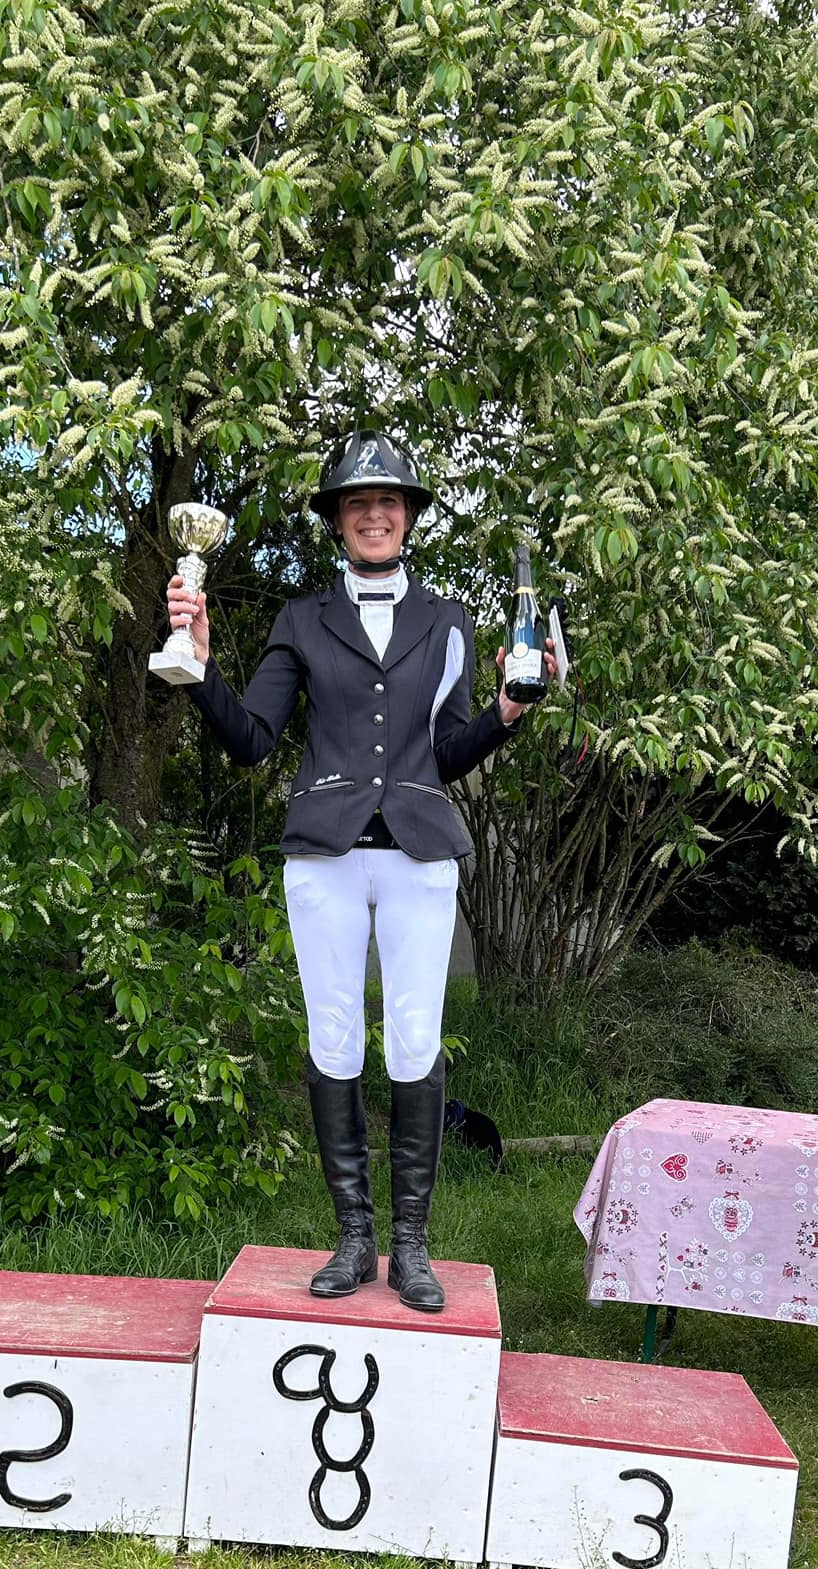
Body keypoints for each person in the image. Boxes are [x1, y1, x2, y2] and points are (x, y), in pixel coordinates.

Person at [159, 428, 550, 1313]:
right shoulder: (302, 618)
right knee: (332, 1038)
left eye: (389, 501)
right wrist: (200, 666)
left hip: (418, 856)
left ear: (408, 517)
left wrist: (506, 713)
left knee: (415, 1040)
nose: (374, 514)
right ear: (338, 521)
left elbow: (448, 751)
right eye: (356, 503)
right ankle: (352, 1237)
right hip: (325, 855)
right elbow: (252, 742)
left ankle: (410, 1246)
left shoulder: (448, 619)